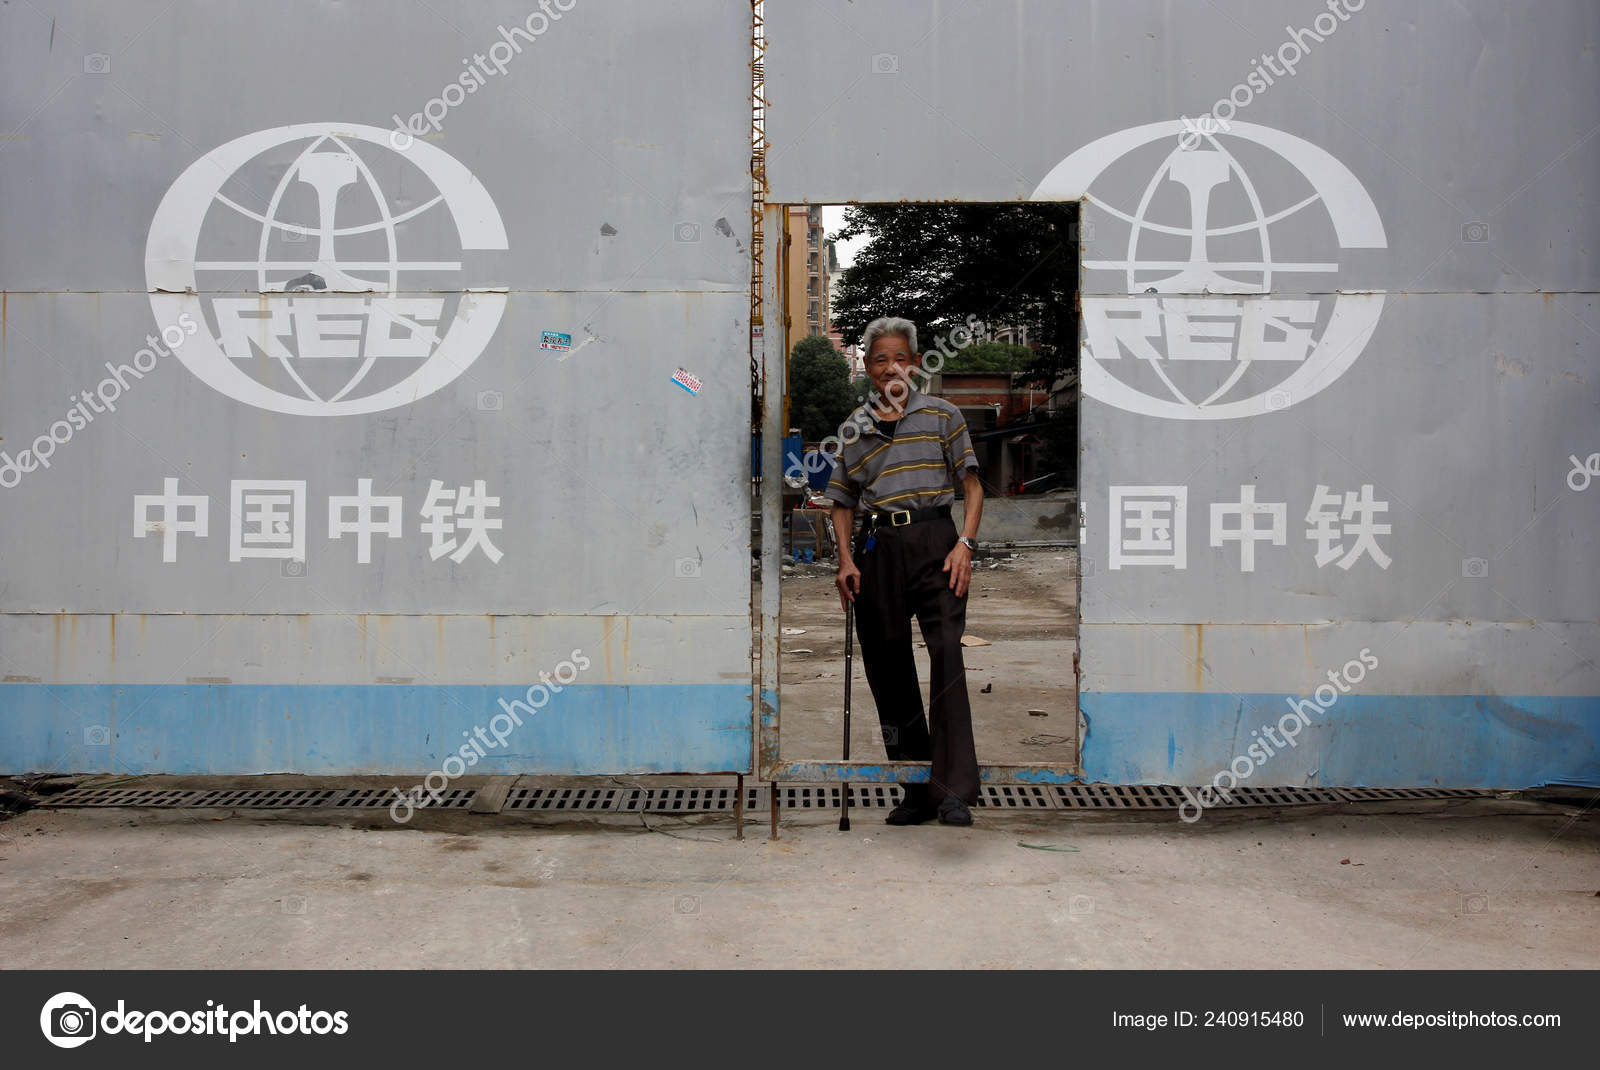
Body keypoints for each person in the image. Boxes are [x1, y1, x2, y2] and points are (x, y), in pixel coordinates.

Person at [826, 317, 983, 826]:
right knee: (888, 666)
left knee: (945, 656)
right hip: (879, 550)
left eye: (899, 358)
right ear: (869, 369)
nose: (890, 367)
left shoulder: (943, 415)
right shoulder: (855, 427)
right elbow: (842, 500)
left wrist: (965, 544)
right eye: (879, 359)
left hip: (936, 542)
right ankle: (917, 788)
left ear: (914, 364)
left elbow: (973, 487)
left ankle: (955, 789)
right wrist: (846, 560)